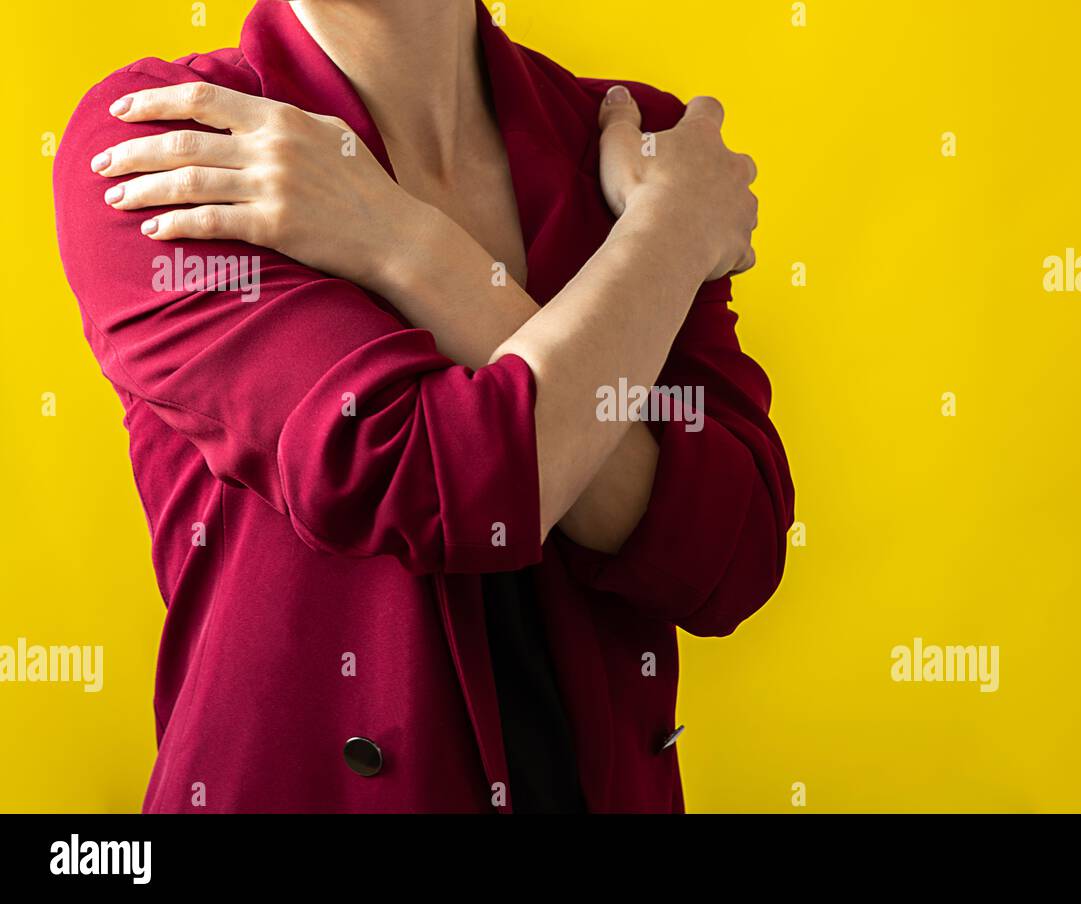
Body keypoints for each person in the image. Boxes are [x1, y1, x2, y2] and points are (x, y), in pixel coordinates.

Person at [53, 0, 794, 813]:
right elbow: (434, 478)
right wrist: (669, 236)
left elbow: (731, 555)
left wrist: (397, 240)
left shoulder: (636, 141)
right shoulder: (178, 141)